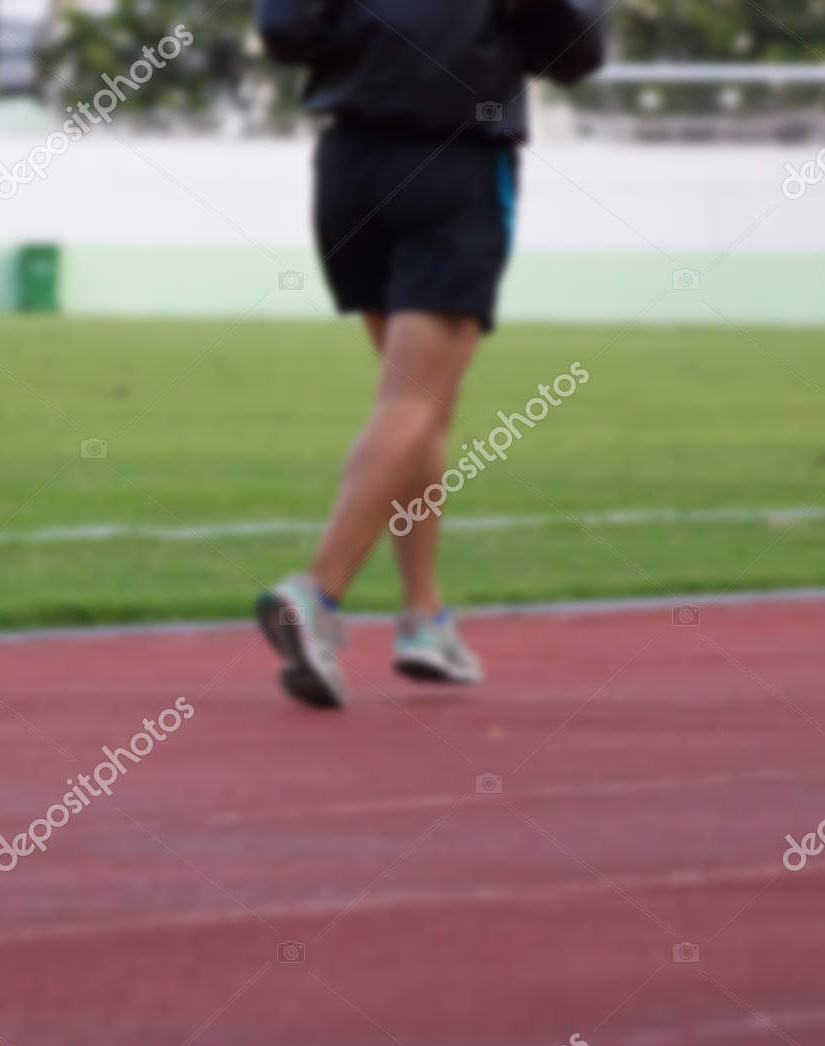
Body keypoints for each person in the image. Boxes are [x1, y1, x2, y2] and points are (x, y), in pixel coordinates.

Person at [253, 0, 606, 709]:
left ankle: (424, 617)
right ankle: (318, 592)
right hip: (455, 164)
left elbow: (283, 31)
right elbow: (576, 51)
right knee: (412, 399)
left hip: (350, 170)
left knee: (422, 404)